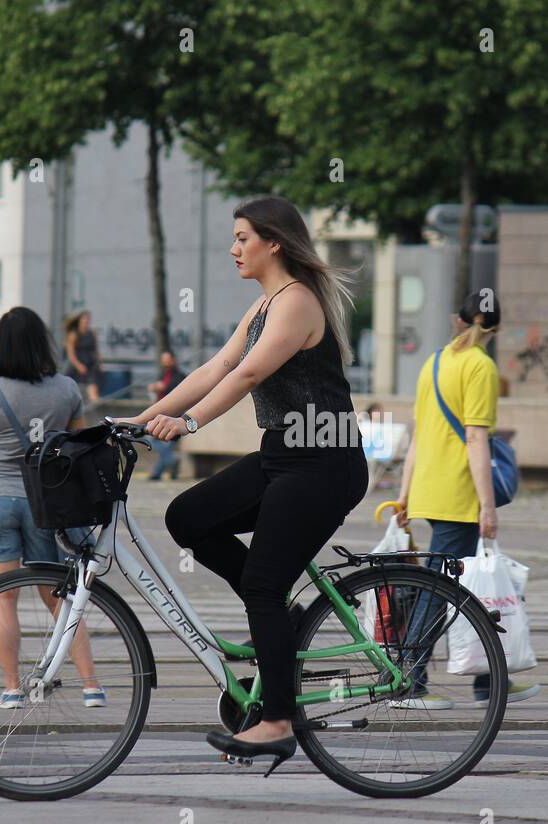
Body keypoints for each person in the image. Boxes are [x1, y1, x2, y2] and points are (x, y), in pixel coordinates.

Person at [117, 195, 368, 773]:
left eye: (241, 239)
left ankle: (276, 722)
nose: (233, 250)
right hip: (284, 455)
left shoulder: (298, 303)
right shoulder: (263, 308)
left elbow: (252, 372)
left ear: (273, 242)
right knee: (188, 518)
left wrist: (189, 424)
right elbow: (215, 368)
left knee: (260, 580)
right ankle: (274, 612)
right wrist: (138, 420)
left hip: (325, 462)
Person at [393, 291, 539, 708]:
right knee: (438, 588)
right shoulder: (481, 367)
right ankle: (408, 681)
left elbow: (419, 435)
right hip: (459, 496)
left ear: (457, 320)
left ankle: (487, 680)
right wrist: (488, 505)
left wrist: (404, 493)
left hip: (429, 489)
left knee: (472, 589)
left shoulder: (434, 363)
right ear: (495, 328)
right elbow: (476, 438)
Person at [0, 306, 105, 707]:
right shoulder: (66, 389)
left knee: (3, 598)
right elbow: (80, 447)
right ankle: (91, 685)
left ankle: (12, 689)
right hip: (46, 504)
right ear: (41, 343)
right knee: (59, 597)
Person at [145, 350, 187, 480]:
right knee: (164, 446)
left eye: (168, 359)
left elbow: (178, 392)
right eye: (163, 359)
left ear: (173, 360)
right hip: (161, 415)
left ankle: (159, 471)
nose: (165, 362)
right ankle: (167, 466)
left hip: (175, 416)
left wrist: (163, 387)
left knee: (162, 443)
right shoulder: (163, 374)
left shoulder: (179, 375)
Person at [63, 310, 103, 403]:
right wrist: (79, 365)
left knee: (93, 387)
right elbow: (71, 354)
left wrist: (100, 363)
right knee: (65, 384)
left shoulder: (91, 333)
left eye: (88, 319)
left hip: (90, 363)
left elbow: (96, 351)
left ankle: (95, 409)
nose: (86, 321)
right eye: (84, 319)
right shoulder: (73, 334)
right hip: (76, 363)